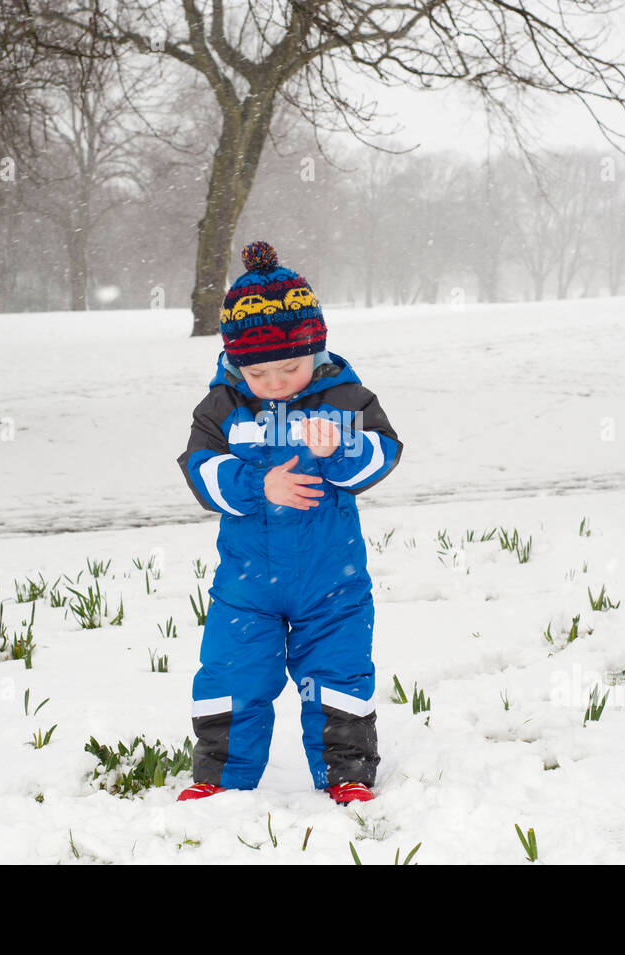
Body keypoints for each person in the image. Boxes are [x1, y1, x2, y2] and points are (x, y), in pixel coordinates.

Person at [176, 240, 403, 804]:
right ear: (234, 362)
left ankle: (346, 773)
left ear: (316, 350)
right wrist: (258, 484)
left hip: (332, 583)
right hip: (246, 586)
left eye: (289, 367)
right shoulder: (223, 408)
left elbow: (385, 453)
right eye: (258, 371)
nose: (275, 382)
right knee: (231, 675)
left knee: (339, 672)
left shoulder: (345, 396)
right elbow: (200, 471)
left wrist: (341, 450)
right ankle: (220, 779)